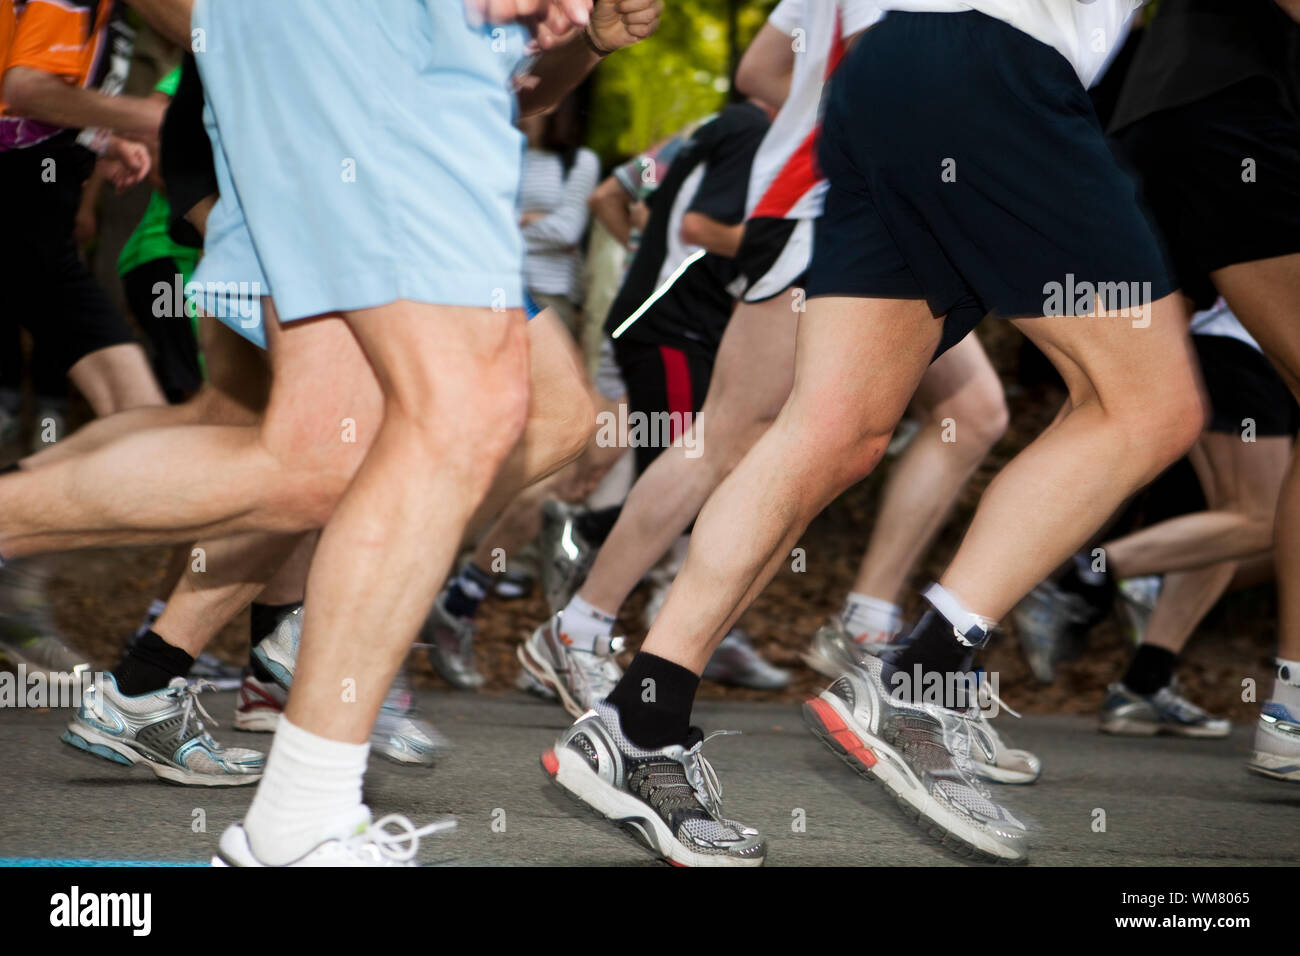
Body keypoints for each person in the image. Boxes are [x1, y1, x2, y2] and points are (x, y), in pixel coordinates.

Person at [543, 0, 1206, 866]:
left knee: (831, 430)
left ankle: (640, 722)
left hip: (884, 71)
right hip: (996, 68)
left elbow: (768, 64)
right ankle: (919, 679)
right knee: (1149, 406)